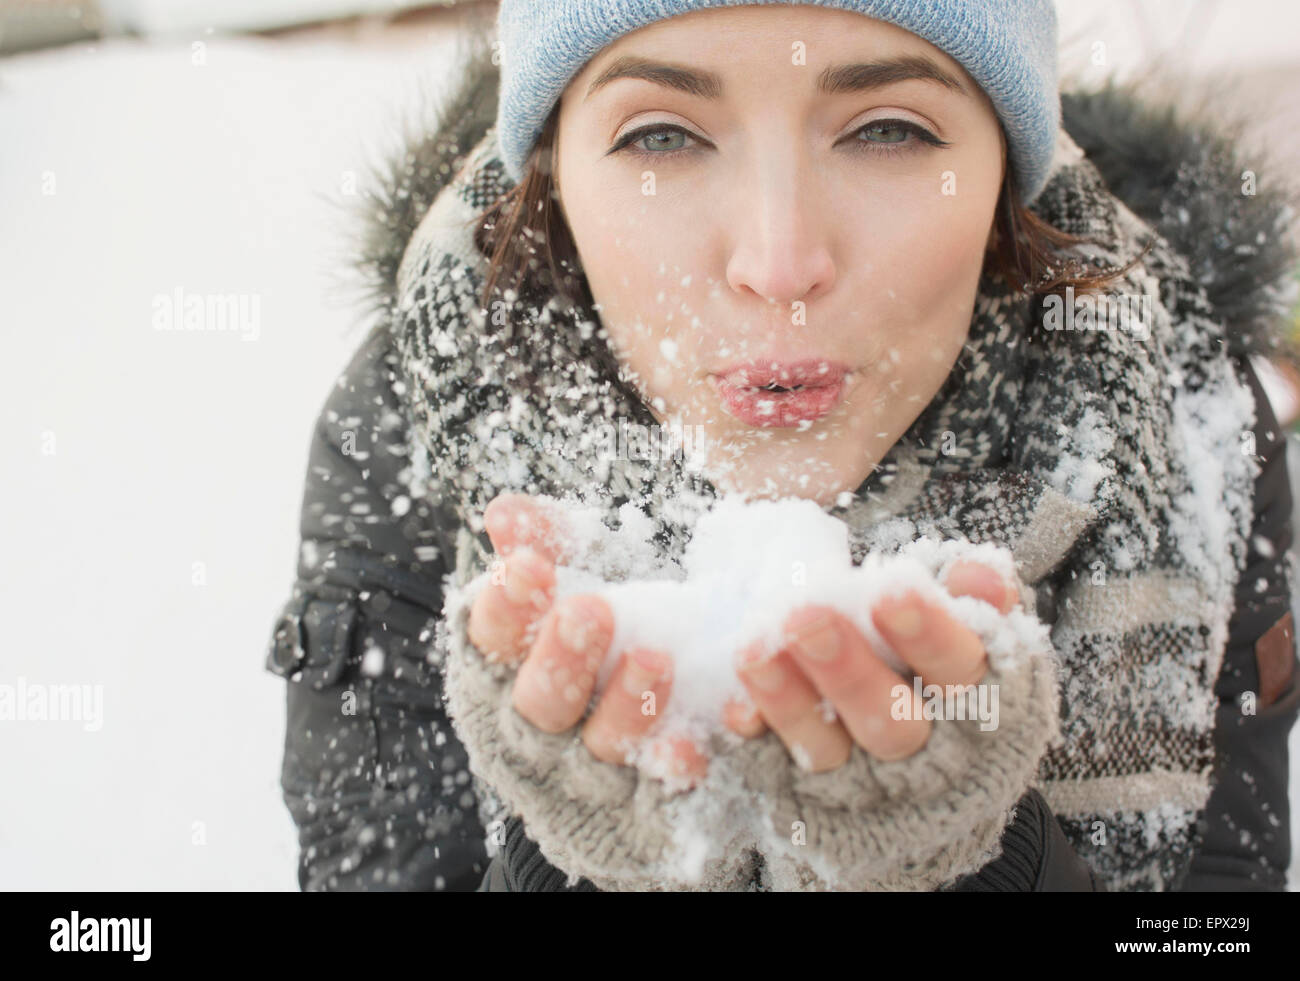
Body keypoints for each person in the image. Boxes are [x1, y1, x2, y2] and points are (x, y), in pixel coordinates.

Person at [266, 0, 1300, 891]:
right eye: (662, 136)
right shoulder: (422, 414)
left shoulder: (1173, 411)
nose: (780, 260)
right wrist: (585, 865)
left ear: (1001, 185)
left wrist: (967, 865)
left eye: (888, 129)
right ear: (554, 178)